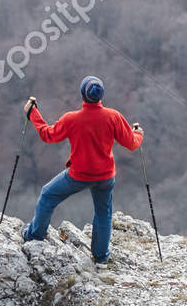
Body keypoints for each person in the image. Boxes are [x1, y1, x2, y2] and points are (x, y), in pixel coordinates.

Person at [20, 75, 143, 264]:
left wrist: (33, 113)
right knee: (103, 213)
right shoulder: (113, 116)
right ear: (101, 96)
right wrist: (138, 133)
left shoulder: (72, 119)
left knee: (48, 195)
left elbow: (47, 135)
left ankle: (35, 235)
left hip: (78, 175)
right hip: (105, 176)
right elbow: (133, 144)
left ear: (82, 95)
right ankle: (101, 257)